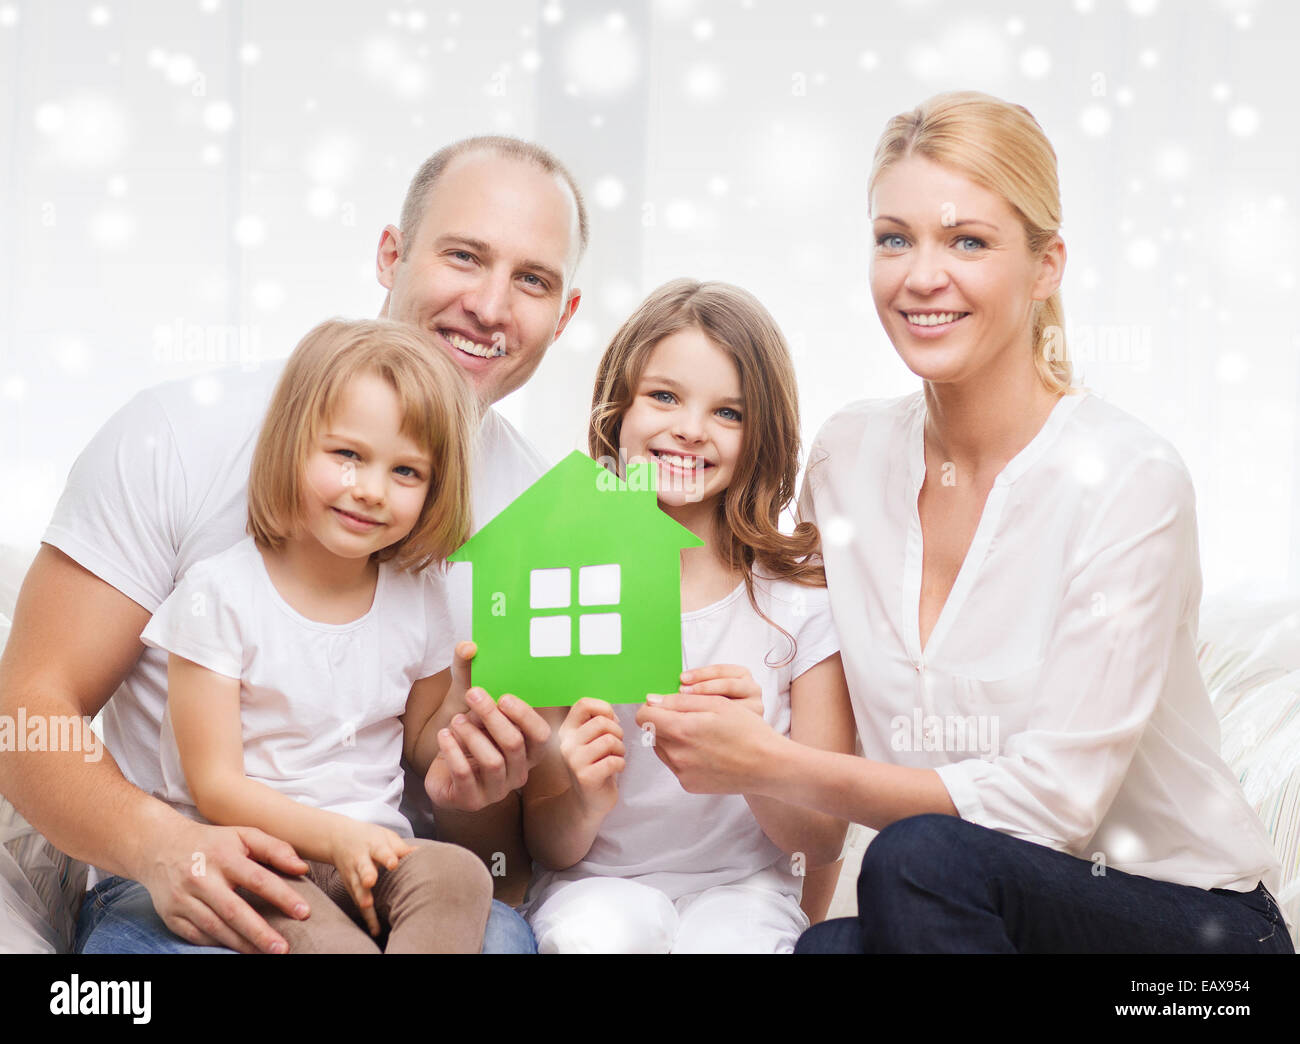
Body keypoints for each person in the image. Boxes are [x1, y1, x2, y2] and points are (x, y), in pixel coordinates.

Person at [637, 93, 1292, 954]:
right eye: (894, 237)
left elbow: (1047, 809)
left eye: (968, 241)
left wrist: (768, 762)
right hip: (962, 917)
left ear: (1046, 265)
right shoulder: (847, 461)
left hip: (1190, 943)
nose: (920, 275)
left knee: (918, 860)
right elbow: (810, 722)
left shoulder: (1130, 480)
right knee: (824, 949)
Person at [0, 135, 585, 954]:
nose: (491, 306)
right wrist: (158, 845)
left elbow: (498, 845)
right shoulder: (178, 436)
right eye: (464, 256)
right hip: (189, 875)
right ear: (392, 254)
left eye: (532, 280)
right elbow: (25, 716)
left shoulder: (548, 526)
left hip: (392, 880)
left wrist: (478, 784)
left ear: (566, 313)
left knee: (502, 932)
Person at [520, 279, 856, 953]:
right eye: (664, 396)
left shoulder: (803, 601)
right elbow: (550, 845)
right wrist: (579, 793)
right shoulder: (565, 581)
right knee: (596, 937)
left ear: (761, 435)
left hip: (745, 895)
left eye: (728, 413)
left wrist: (755, 760)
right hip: (595, 884)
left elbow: (821, 840)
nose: (690, 429)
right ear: (617, 411)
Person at [143, 318, 495, 953]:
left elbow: (420, 745)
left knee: (461, 873)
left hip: (379, 849)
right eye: (347, 456)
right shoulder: (218, 594)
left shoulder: (419, 599)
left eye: (407, 472)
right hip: (253, 853)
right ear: (293, 443)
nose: (371, 491)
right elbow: (215, 787)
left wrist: (460, 709)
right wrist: (336, 839)